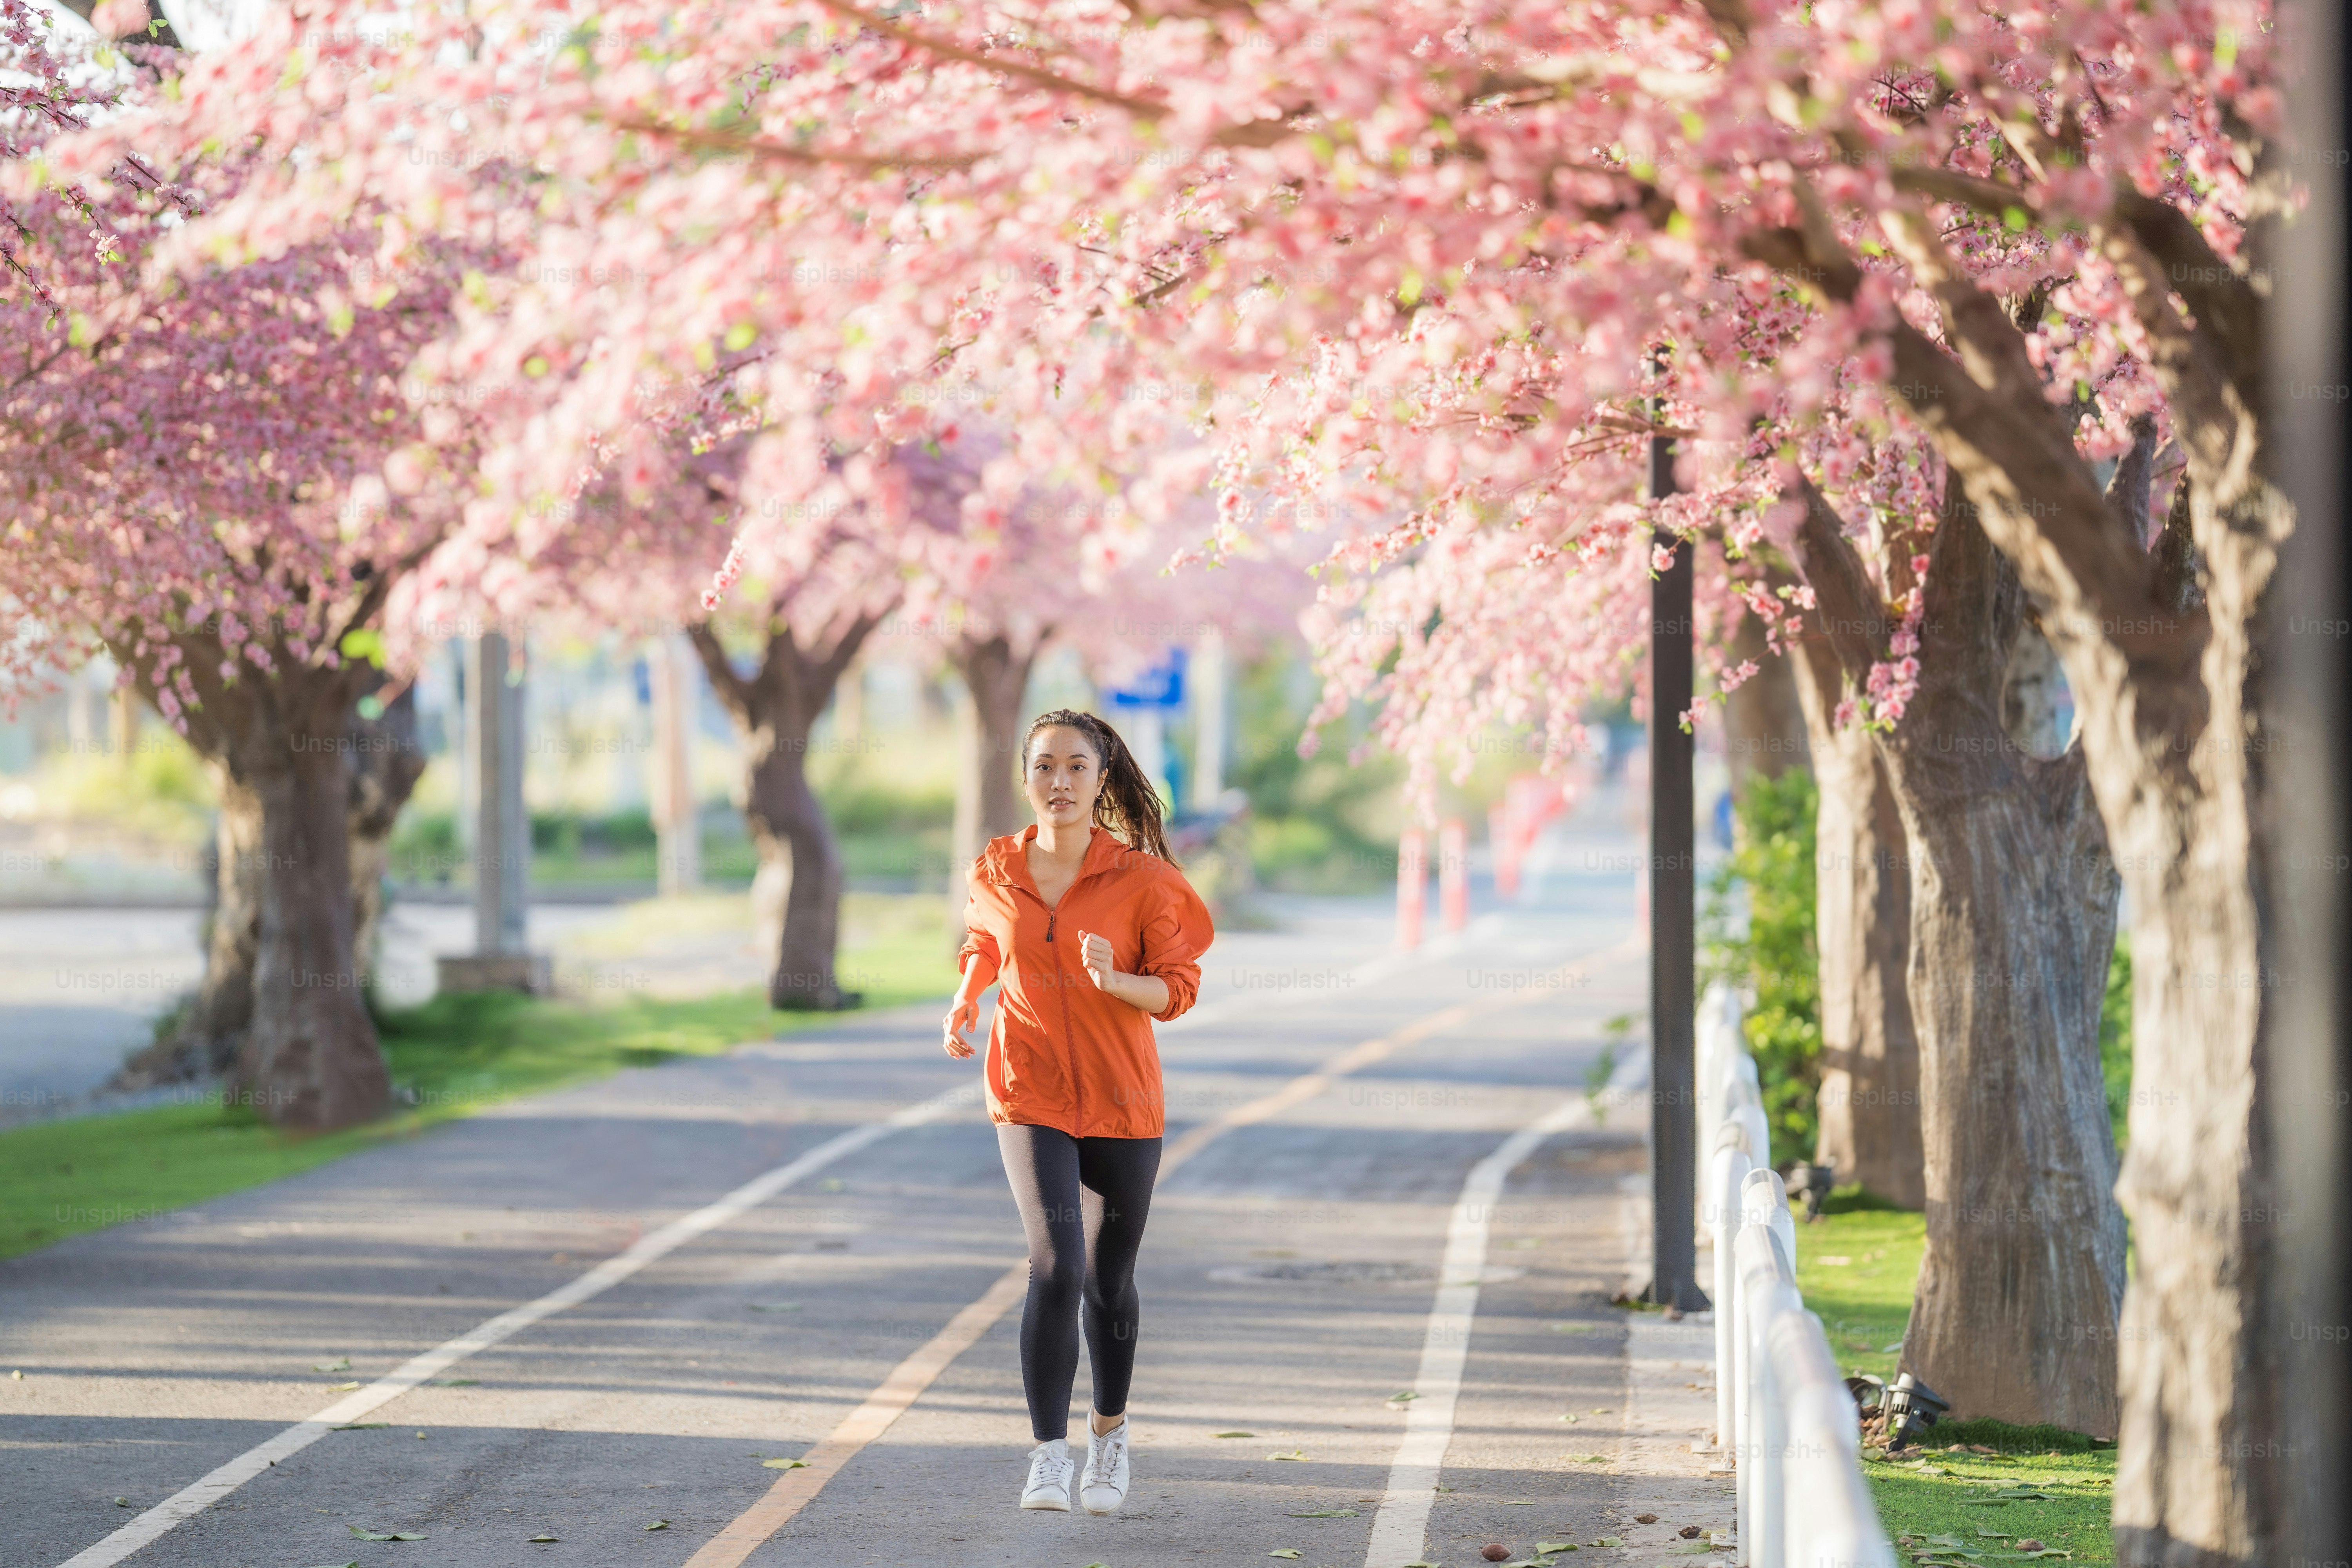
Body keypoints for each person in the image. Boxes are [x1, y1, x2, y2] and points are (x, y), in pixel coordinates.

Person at [941, 708, 1214, 1515]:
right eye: (1044, 767)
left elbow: (1176, 988)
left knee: (1109, 1279)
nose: (1058, 782)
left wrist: (1112, 980)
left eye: (1075, 767)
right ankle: (1048, 1455)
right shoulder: (997, 866)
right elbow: (986, 939)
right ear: (1025, 777)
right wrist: (966, 994)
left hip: (1124, 1097)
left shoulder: (1145, 880)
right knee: (1057, 1265)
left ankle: (1110, 1435)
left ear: (1103, 778)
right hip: (1031, 1088)